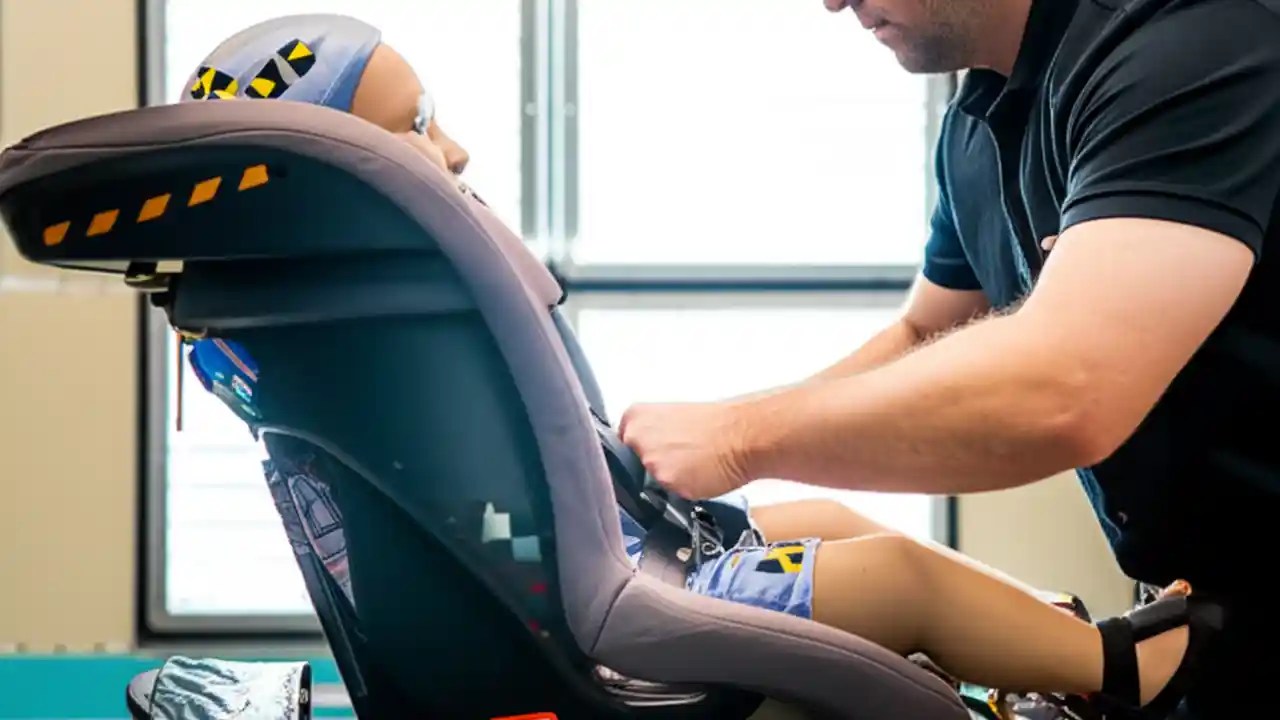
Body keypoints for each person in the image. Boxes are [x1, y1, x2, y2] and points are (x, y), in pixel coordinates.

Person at [184, 13, 1228, 719]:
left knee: (828, 521)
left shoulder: (323, 342)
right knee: (898, 576)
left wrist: (730, 438)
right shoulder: (398, 339)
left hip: (594, 561)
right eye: (414, 130)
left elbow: (1023, 366)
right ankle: (1115, 670)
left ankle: (1046, 643)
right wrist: (724, 446)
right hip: (595, 592)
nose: (453, 150)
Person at [618, 0, 1280, 717]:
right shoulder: (975, 126)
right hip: (1201, 600)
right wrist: (708, 444)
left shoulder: (1194, 42)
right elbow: (923, 334)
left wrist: (742, 441)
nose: (832, 1)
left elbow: (1068, 389)